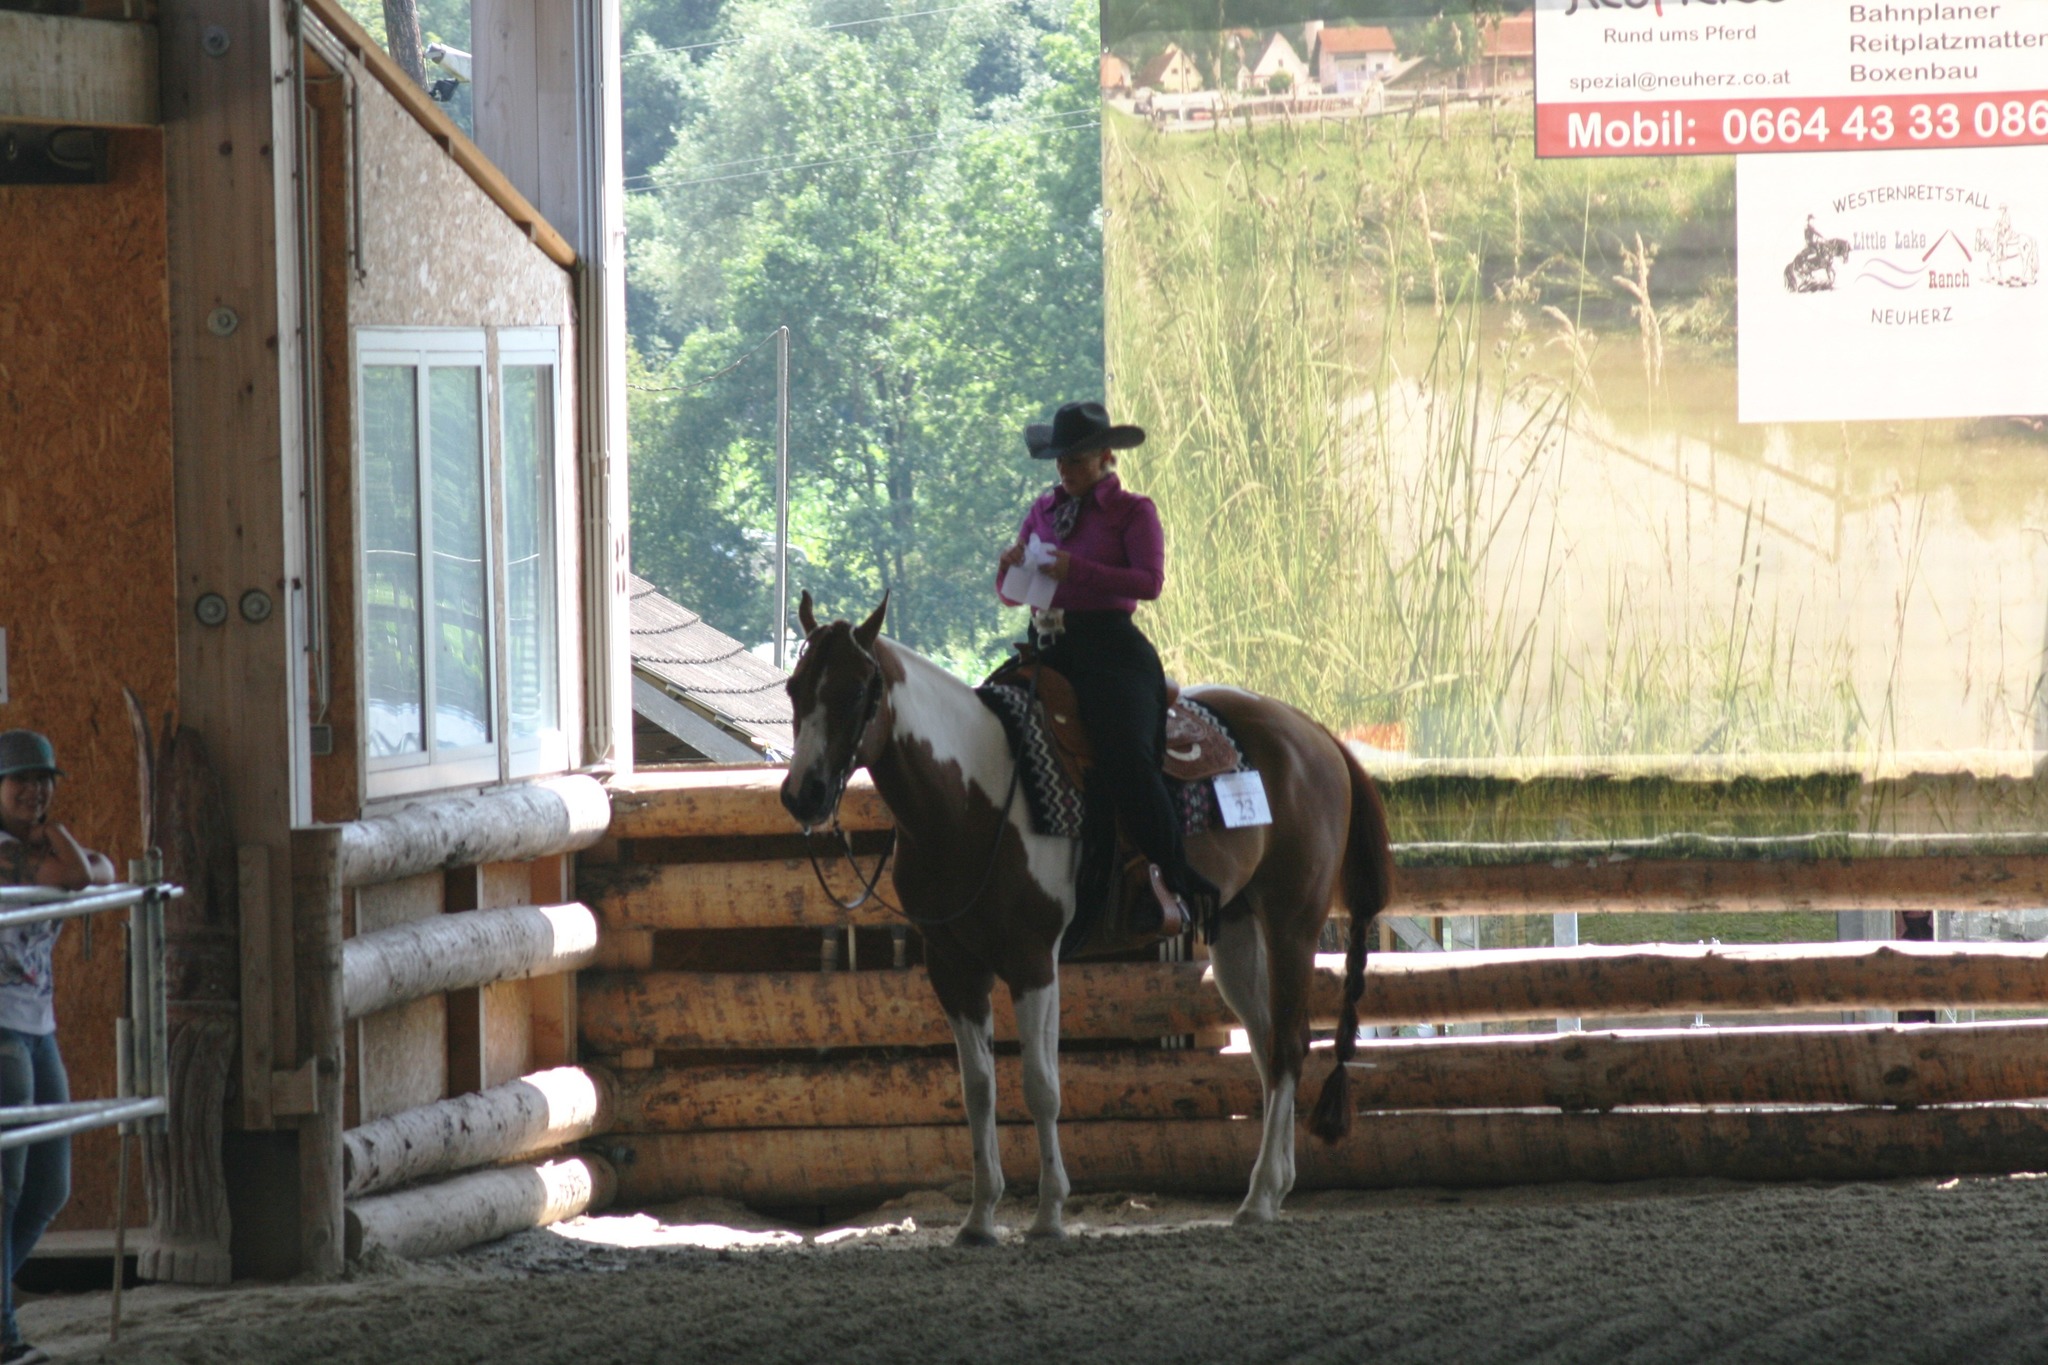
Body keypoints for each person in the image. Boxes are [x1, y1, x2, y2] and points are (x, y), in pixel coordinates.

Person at [996, 400, 1221, 937]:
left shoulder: (1134, 512)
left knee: (1124, 756)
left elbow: (1149, 582)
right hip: (1046, 645)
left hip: (1111, 648)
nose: (1065, 470)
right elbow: (1011, 596)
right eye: (1060, 461)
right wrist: (1008, 571)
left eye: (1075, 460)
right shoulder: (1043, 510)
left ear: (1104, 457)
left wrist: (1080, 569)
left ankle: (1179, 876)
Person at [0, 730, 113, 1365]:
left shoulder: (33, 848)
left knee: (48, 1187)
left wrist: (58, 837)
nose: (34, 791)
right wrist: (62, 843)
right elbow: (79, 873)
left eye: (43, 780)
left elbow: (105, 870)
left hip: (37, 1027)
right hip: (3, 1032)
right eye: (20, 780)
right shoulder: (7, 855)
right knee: (7, 1186)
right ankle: (3, 1333)